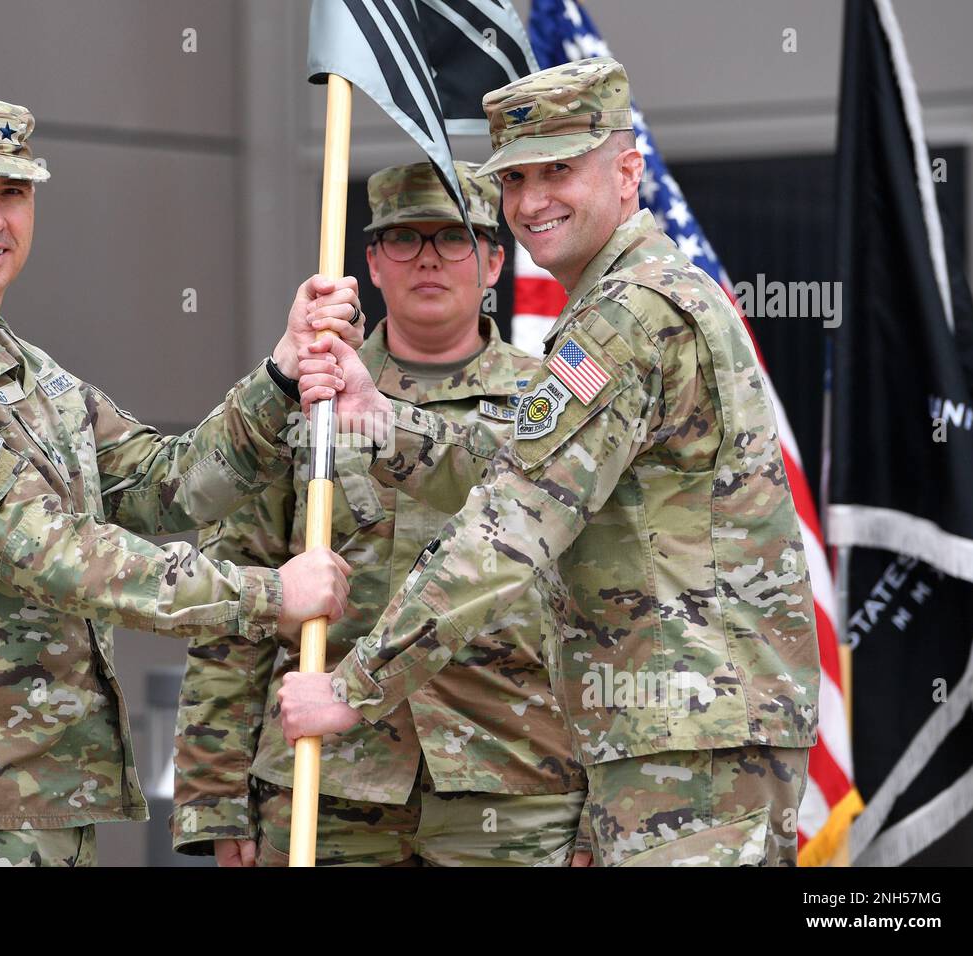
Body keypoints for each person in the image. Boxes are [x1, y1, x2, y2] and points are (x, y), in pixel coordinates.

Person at [282, 58, 821, 866]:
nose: (532, 202)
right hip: (690, 731)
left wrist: (352, 689)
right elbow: (541, 465)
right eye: (517, 178)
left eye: (561, 170)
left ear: (628, 170)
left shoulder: (625, 317)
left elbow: (511, 526)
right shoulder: (656, 293)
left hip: (684, 741)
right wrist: (385, 420)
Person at [0, 95, 359, 866]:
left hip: (40, 801)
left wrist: (280, 374)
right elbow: (52, 552)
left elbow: (166, 485)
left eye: (13, 192)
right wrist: (267, 597)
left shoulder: (26, 374)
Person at [171, 162, 587, 867]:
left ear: (493, 260)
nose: (428, 258)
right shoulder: (306, 396)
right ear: (371, 262)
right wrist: (211, 794)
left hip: (517, 786)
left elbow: (606, 611)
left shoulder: (555, 405)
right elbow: (234, 600)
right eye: (404, 238)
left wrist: (605, 810)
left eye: (453, 238)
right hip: (325, 786)